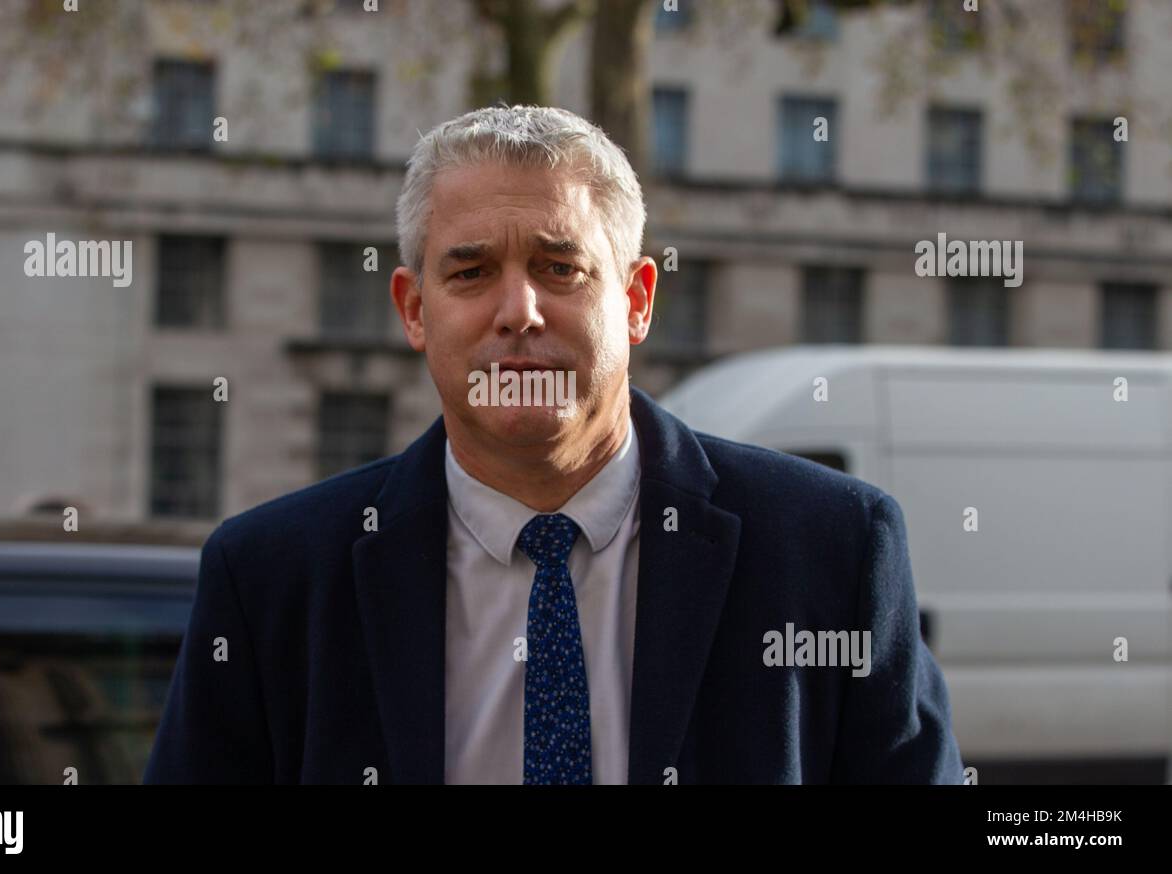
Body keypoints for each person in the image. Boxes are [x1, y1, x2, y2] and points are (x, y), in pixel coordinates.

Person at [143, 104, 964, 784]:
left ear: (638, 300)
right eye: (468, 273)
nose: (519, 312)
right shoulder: (272, 578)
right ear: (414, 310)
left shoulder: (830, 550)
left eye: (559, 267)